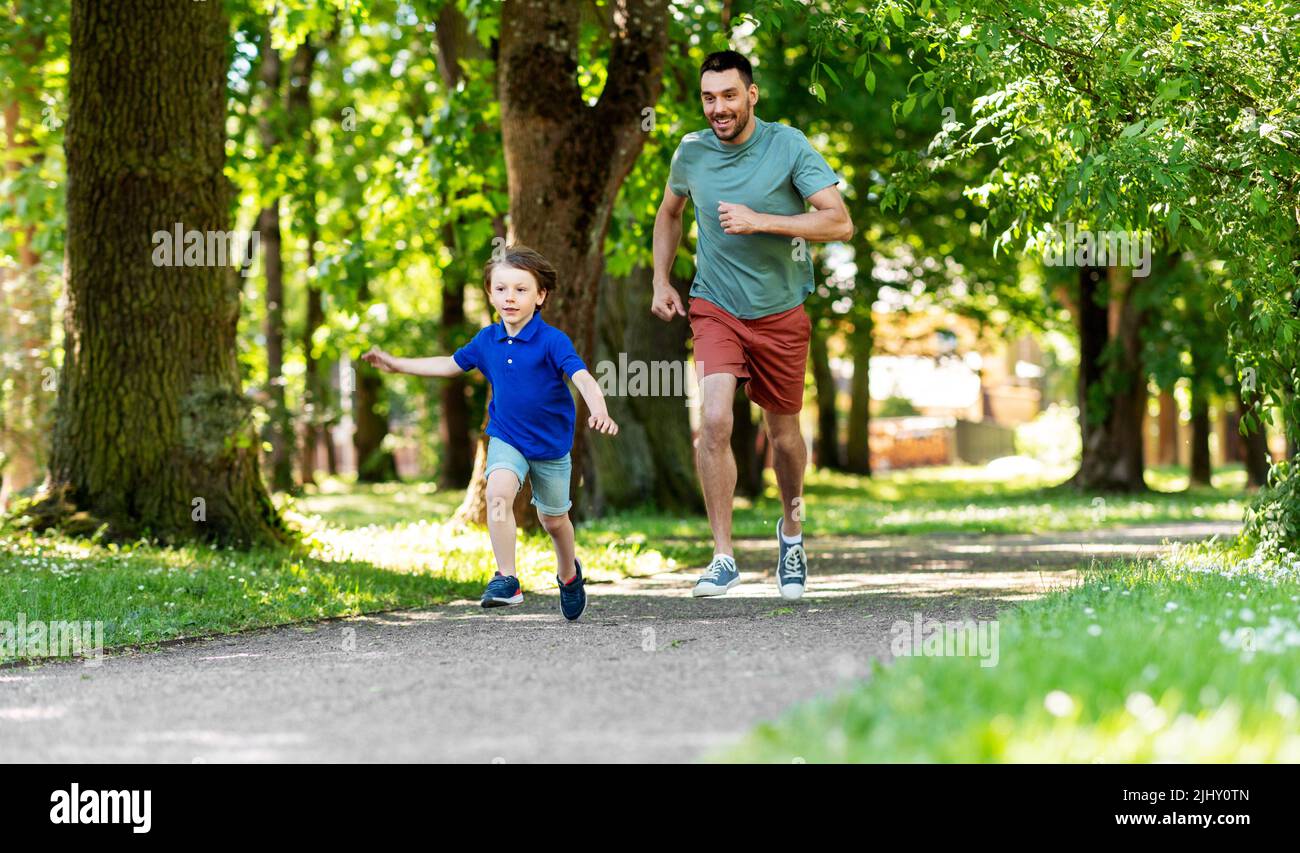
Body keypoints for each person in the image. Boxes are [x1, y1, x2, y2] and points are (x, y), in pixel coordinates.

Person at [651, 49, 853, 601]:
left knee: (783, 437)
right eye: (709, 97)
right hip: (715, 305)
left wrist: (761, 220)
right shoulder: (690, 152)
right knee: (712, 421)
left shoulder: (787, 144)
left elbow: (839, 222)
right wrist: (660, 281)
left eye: (729, 95)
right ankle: (723, 556)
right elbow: (669, 213)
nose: (718, 107)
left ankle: (791, 532)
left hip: (781, 312)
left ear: (752, 94)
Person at [363, 245, 618, 621]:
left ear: (540, 295)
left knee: (554, 521)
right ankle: (507, 578)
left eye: (520, 289)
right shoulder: (486, 341)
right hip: (507, 437)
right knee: (498, 494)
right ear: (489, 293)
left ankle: (568, 574)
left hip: (549, 447)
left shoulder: (552, 341)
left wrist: (599, 408)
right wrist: (398, 365)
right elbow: (450, 364)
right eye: (500, 289)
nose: (509, 297)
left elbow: (581, 376)